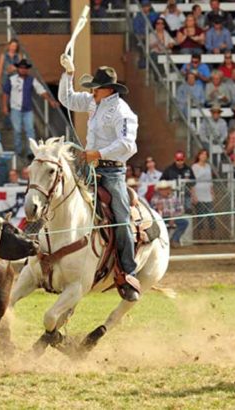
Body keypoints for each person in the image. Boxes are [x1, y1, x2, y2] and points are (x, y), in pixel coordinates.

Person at [59, 55, 141, 302]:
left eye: (94, 87)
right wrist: (68, 74)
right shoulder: (94, 102)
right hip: (88, 167)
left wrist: (98, 153)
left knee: (121, 218)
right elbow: (67, 99)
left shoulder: (122, 112)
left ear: (106, 90)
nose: (91, 91)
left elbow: (128, 145)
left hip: (111, 171)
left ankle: (128, 272)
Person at [3, 59, 58, 156]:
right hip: (15, 108)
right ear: (18, 69)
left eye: (25, 68)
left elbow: (41, 91)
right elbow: (6, 93)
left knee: (30, 131)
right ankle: (18, 151)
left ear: (27, 70)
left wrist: (50, 101)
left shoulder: (31, 80)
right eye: (21, 68)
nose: (23, 70)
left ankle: (31, 151)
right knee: (17, 131)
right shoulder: (12, 79)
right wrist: (4, 106)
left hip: (27, 109)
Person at [150, 180, 189, 247]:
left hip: (173, 217)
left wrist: (173, 217)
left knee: (184, 222)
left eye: (167, 189)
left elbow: (181, 210)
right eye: (163, 189)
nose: (165, 191)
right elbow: (152, 212)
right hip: (161, 218)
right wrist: (158, 209)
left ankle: (174, 239)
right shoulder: (155, 199)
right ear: (159, 190)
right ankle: (161, 243)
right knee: (157, 225)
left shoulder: (174, 198)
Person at [191, 149, 214, 239]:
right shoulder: (194, 167)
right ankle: (200, 237)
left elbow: (210, 179)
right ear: (198, 156)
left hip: (208, 193)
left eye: (205, 154)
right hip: (198, 192)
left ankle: (212, 237)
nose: (204, 156)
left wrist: (212, 192)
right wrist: (194, 195)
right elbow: (192, 181)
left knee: (211, 216)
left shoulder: (208, 166)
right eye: (202, 154)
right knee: (200, 216)